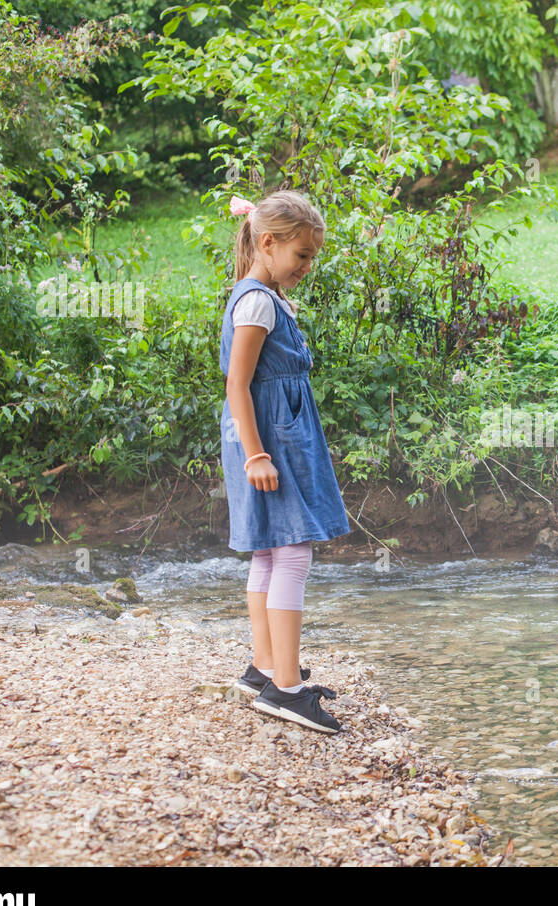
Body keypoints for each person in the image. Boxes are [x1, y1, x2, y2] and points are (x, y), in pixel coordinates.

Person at [219, 190, 350, 734]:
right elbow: (237, 384)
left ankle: (267, 670)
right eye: (301, 255)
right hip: (268, 439)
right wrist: (256, 454)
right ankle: (287, 692)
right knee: (293, 551)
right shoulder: (256, 302)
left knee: (272, 551)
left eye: (312, 256)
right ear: (267, 243)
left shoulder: (264, 295)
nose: (307, 266)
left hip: (276, 436)